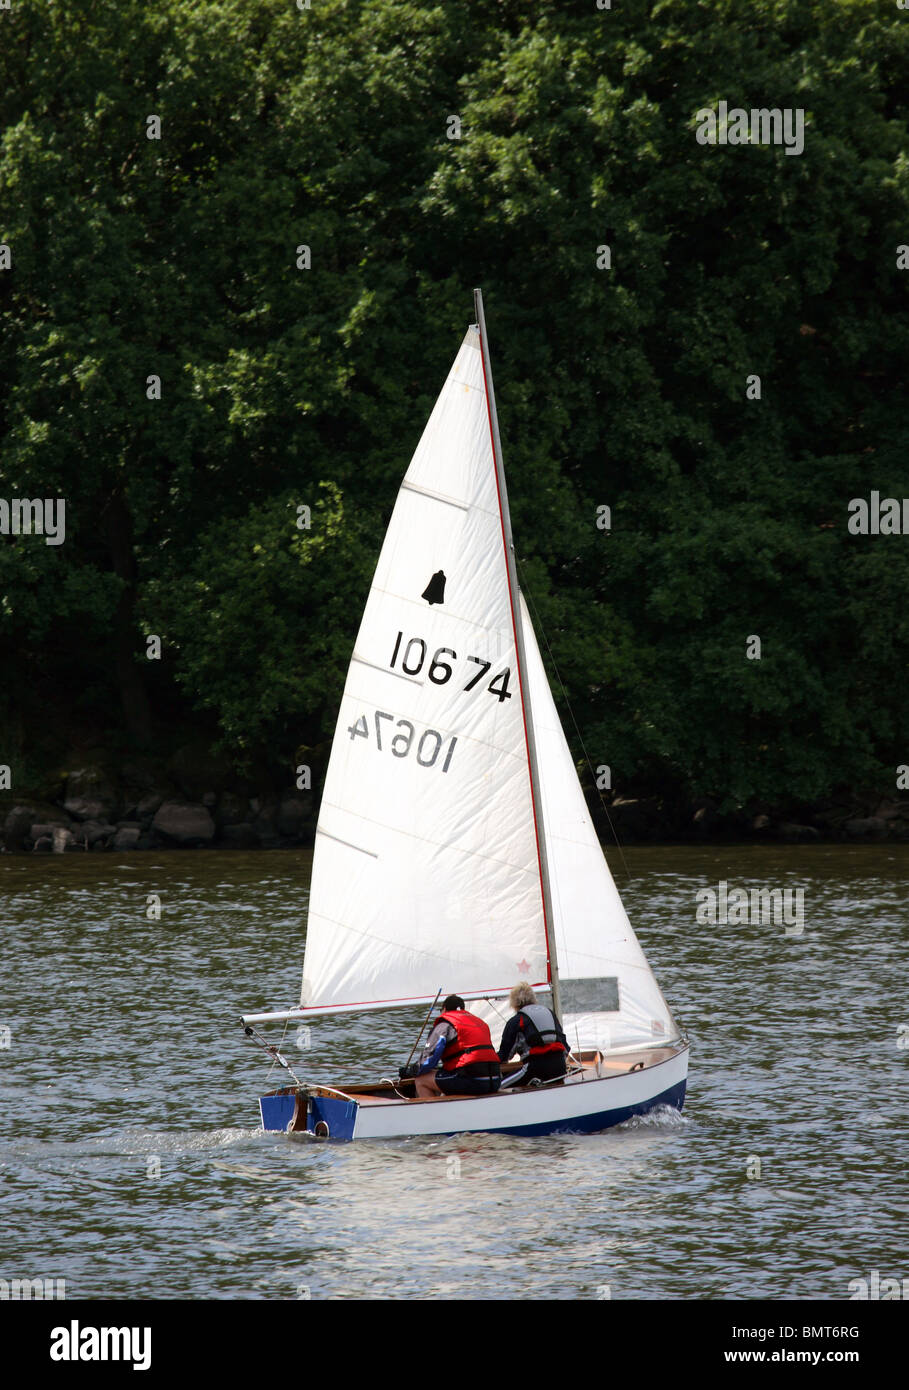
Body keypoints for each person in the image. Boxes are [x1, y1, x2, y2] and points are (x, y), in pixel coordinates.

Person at [409, 995, 501, 1098]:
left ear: (444, 1009)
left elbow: (429, 1061)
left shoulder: (444, 1025)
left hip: (472, 1081)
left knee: (421, 1079)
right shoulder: (480, 1022)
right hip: (496, 1080)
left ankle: (433, 1114)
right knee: (443, 1077)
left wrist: (412, 1071)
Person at [498, 982, 568, 1088]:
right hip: (560, 1068)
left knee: (497, 1086)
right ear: (533, 998)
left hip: (535, 1069)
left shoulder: (516, 1021)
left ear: (513, 1002)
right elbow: (565, 1047)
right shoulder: (550, 1013)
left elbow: (504, 1056)